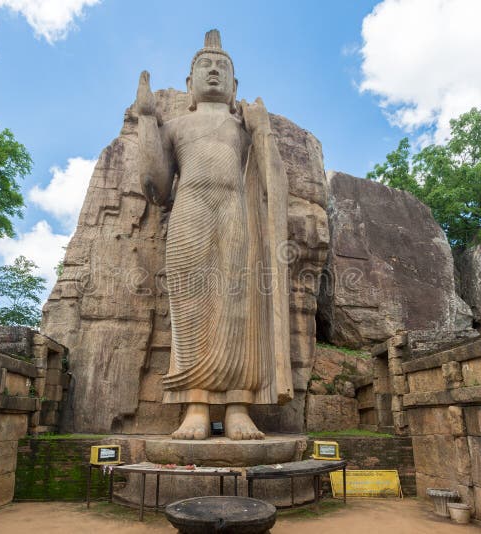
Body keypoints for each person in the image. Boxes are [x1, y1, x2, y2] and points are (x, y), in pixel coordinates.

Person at [134, 30, 292, 440]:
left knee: (237, 307)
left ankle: (239, 406)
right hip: (190, 211)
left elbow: (273, 182)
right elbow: (157, 186)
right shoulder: (178, 125)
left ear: (235, 86)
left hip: (235, 214)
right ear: (190, 84)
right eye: (205, 66)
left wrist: (262, 131)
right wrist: (148, 120)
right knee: (190, 308)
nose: (214, 71)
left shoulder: (243, 126)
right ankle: (197, 407)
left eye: (223, 67)